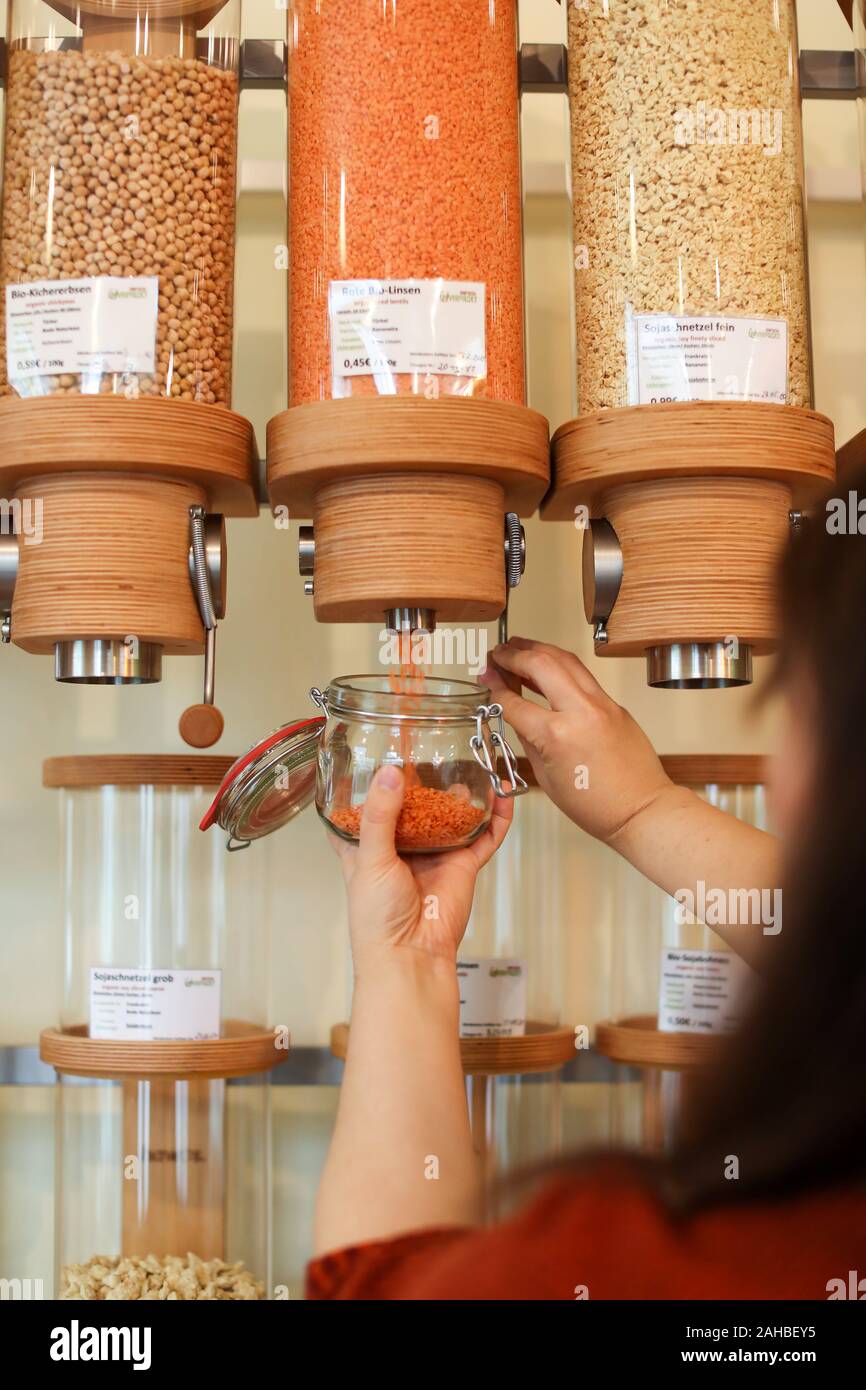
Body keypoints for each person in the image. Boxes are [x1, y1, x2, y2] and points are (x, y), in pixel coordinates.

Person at [307, 490, 866, 1300]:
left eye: (791, 703)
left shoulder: (663, 1265)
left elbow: (380, 1288)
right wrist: (647, 808)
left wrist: (402, 963)